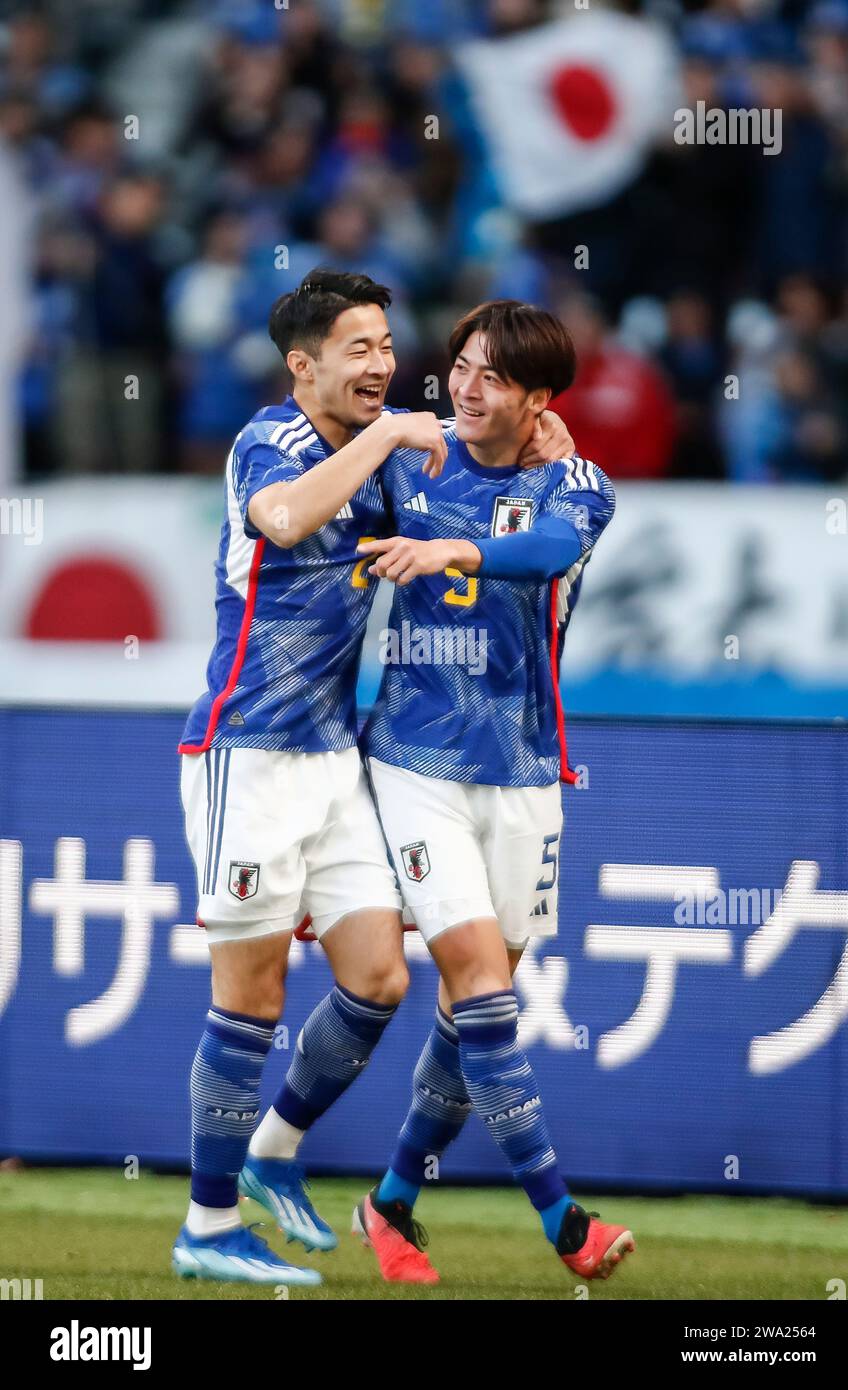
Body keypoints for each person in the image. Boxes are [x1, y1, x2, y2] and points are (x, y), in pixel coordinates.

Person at [172, 271, 572, 1285]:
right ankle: (206, 1226)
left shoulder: (386, 453)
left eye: (388, 346)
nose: (385, 366)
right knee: (251, 994)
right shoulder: (273, 441)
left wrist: (546, 466)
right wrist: (391, 434)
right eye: (359, 349)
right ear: (302, 366)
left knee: (379, 976)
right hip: (249, 750)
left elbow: (463, 506)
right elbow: (285, 520)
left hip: (337, 757)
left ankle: (270, 1155)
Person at [351, 300, 634, 1284]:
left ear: (539, 398)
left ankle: (389, 1204)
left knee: (474, 1011)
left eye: (493, 378)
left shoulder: (577, 483)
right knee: (479, 990)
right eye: (460, 367)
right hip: (414, 762)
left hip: (521, 772)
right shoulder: (408, 462)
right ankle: (566, 1223)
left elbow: (550, 551)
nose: (465, 388)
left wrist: (456, 551)